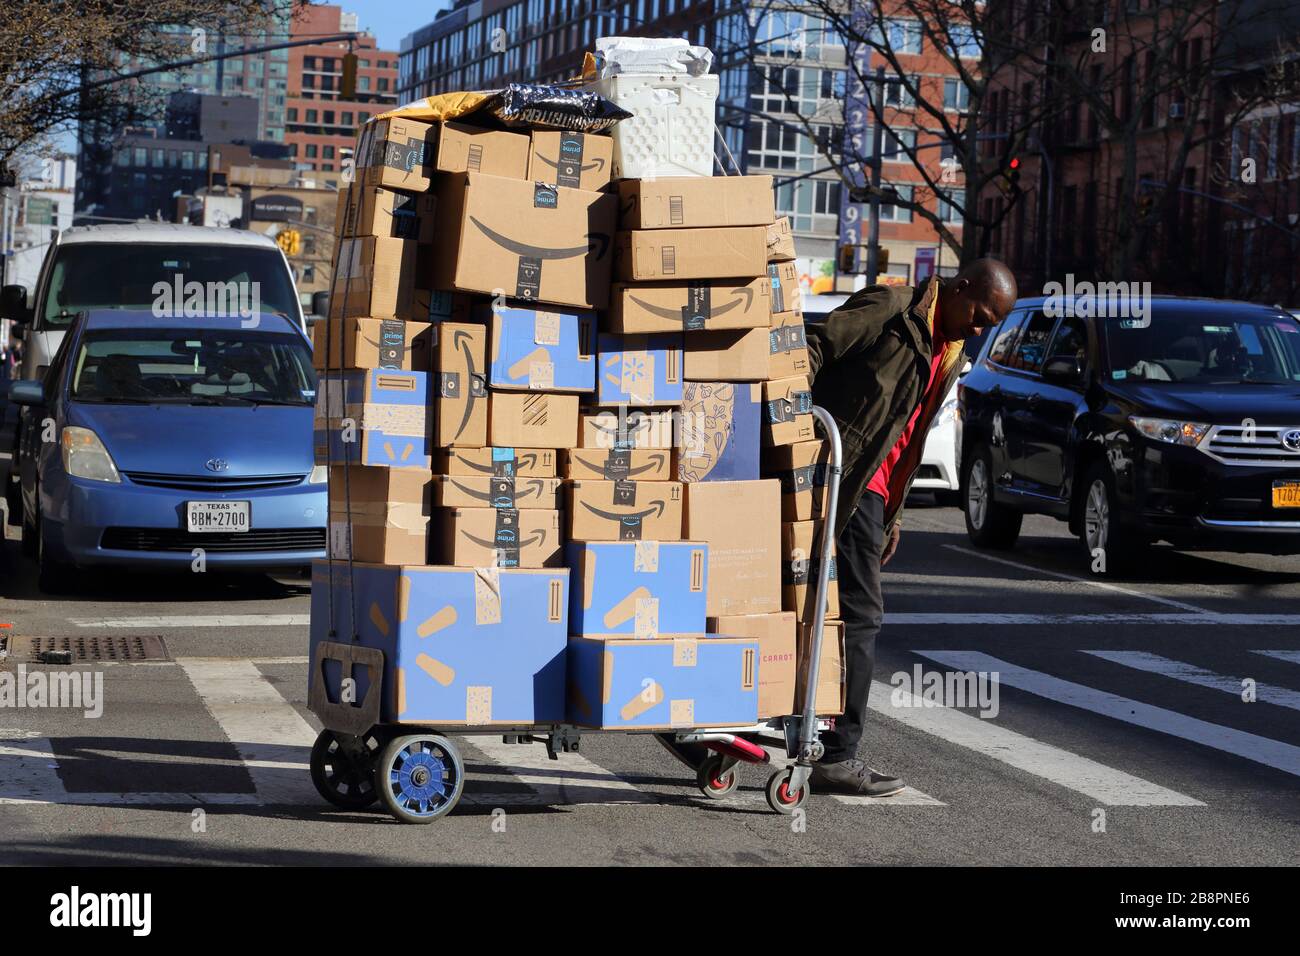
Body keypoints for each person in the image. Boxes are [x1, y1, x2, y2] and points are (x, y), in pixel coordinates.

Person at [804, 258, 1018, 795]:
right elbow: (815, 345)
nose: (980, 328)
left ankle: (805, 732)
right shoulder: (891, 307)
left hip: (874, 494)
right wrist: (791, 420)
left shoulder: (952, 351)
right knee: (863, 614)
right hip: (841, 471)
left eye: (992, 324)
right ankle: (836, 754)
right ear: (958, 287)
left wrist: (894, 515)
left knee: (828, 605)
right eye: (980, 314)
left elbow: (912, 436)